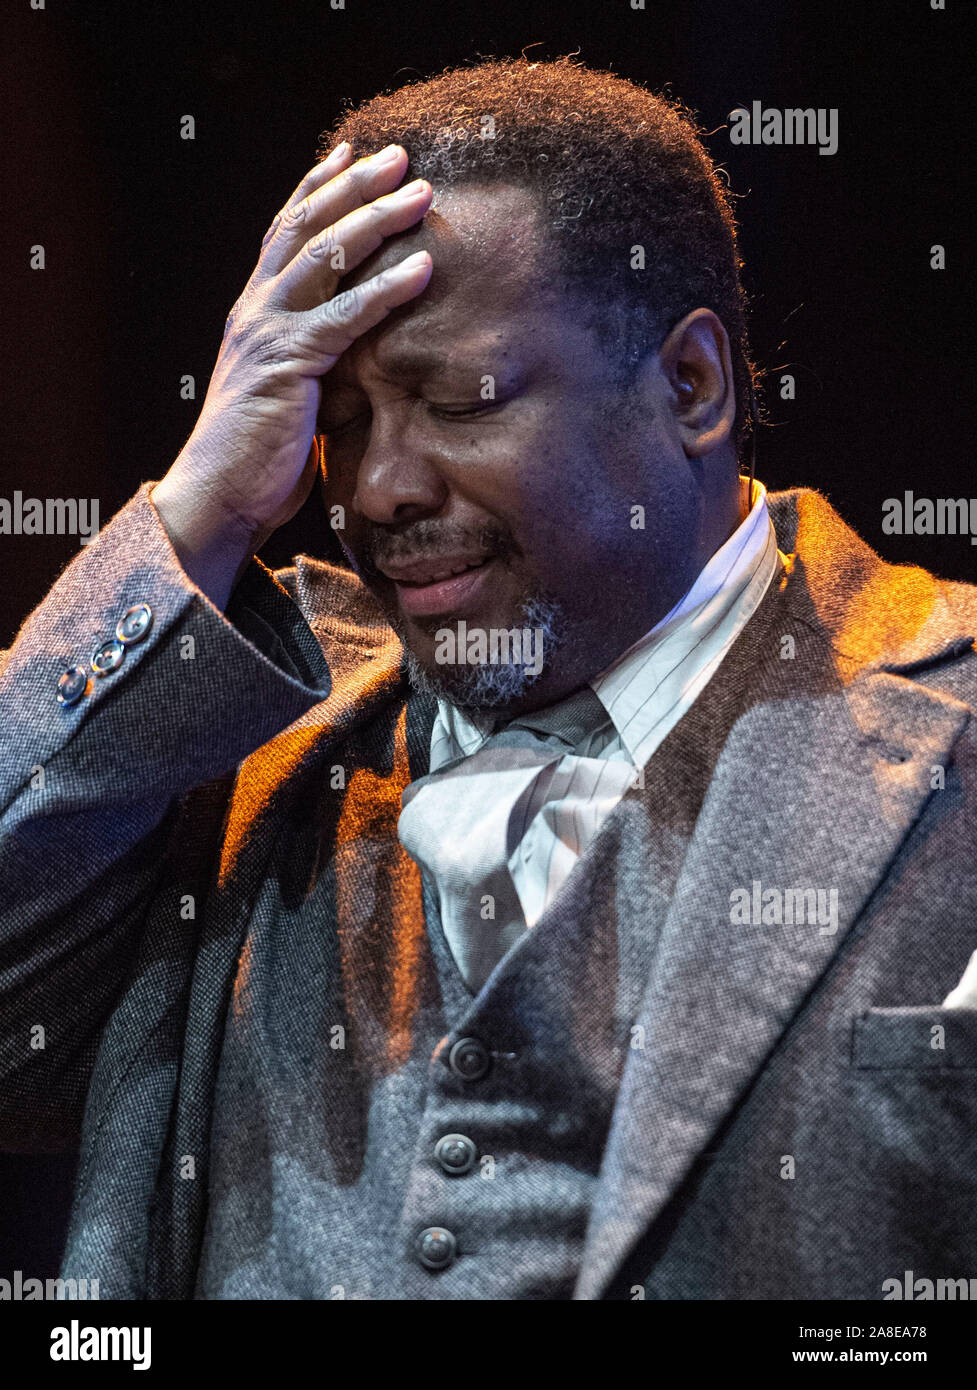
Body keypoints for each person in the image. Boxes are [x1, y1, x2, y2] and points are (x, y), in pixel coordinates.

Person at [1, 56, 975, 1301]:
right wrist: (193, 516)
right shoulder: (209, 747)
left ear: (689, 386)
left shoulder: (943, 717)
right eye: (335, 417)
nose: (373, 488)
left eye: (457, 398)